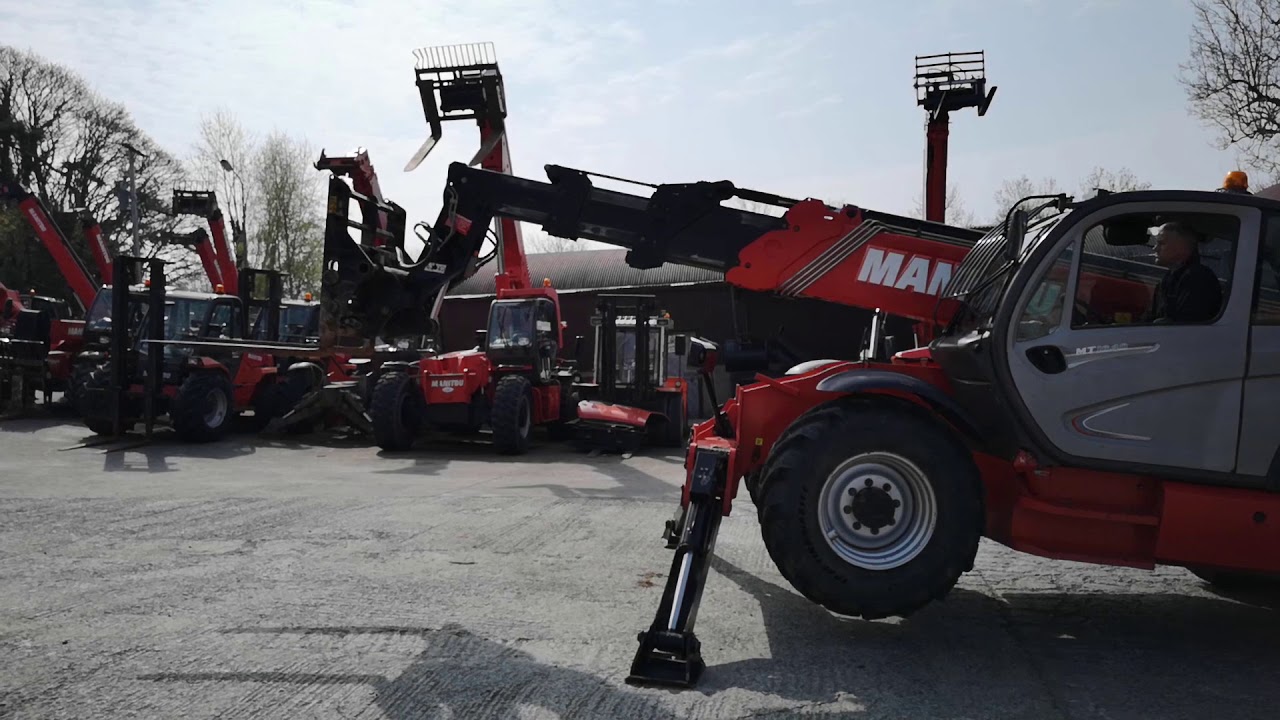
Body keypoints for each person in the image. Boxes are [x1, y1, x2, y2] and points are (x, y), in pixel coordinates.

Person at [1147, 221, 1223, 323]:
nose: (1155, 248)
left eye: (1161, 243)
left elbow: (1186, 325)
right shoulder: (1169, 278)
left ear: (1181, 247)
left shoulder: (1198, 279)